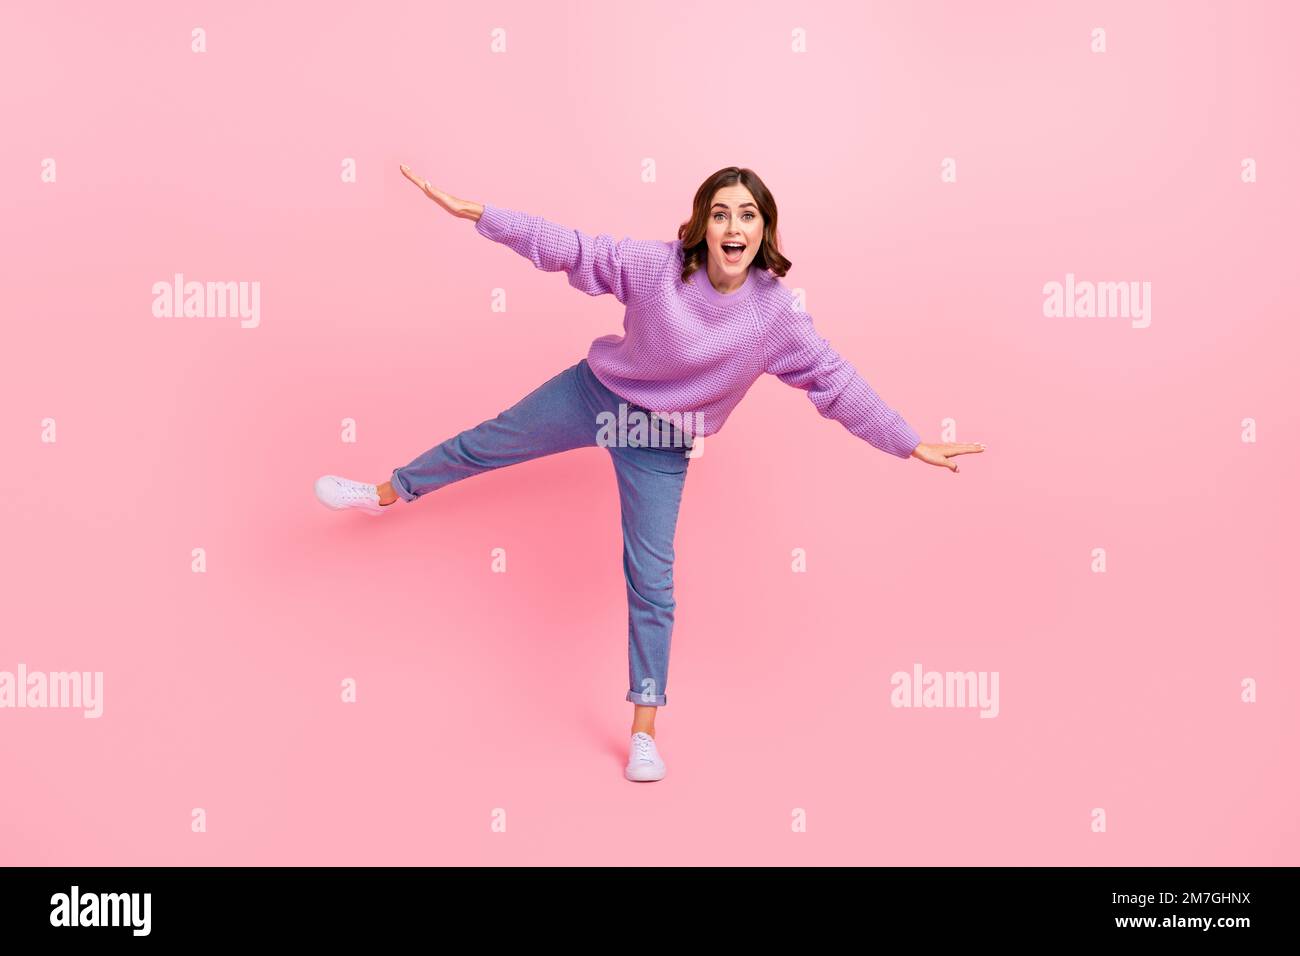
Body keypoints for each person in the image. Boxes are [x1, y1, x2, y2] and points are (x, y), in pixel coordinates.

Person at [316, 164, 986, 782]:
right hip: (594, 396)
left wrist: (910, 442)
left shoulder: (774, 315)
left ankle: (644, 729)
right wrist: (482, 215)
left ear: (764, 230)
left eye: (747, 215)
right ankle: (386, 491)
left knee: (652, 577)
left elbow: (834, 382)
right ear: (701, 224)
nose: (733, 226)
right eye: (721, 213)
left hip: (659, 443)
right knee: (486, 443)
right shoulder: (656, 267)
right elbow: (575, 249)